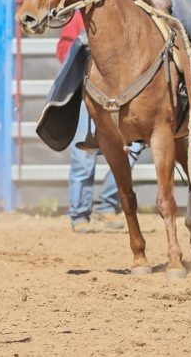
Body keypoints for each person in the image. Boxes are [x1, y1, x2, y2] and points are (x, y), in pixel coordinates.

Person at [57, 13, 146, 233]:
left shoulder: (125, 14)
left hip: (122, 94)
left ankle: (107, 206)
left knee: (132, 148)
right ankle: (80, 214)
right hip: (89, 92)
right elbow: (64, 49)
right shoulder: (81, 15)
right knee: (84, 155)